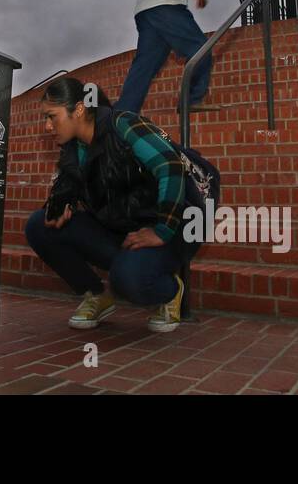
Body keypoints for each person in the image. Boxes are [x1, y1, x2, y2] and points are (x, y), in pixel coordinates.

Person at [24, 76, 186, 333]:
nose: (47, 126)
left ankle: (170, 290)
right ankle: (98, 295)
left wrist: (162, 230)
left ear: (78, 109)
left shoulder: (124, 124)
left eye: (51, 116)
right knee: (38, 226)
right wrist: (61, 204)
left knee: (128, 279)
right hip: (118, 232)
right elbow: (73, 187)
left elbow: (171, 165)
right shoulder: (73, 149)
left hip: (156, 232)